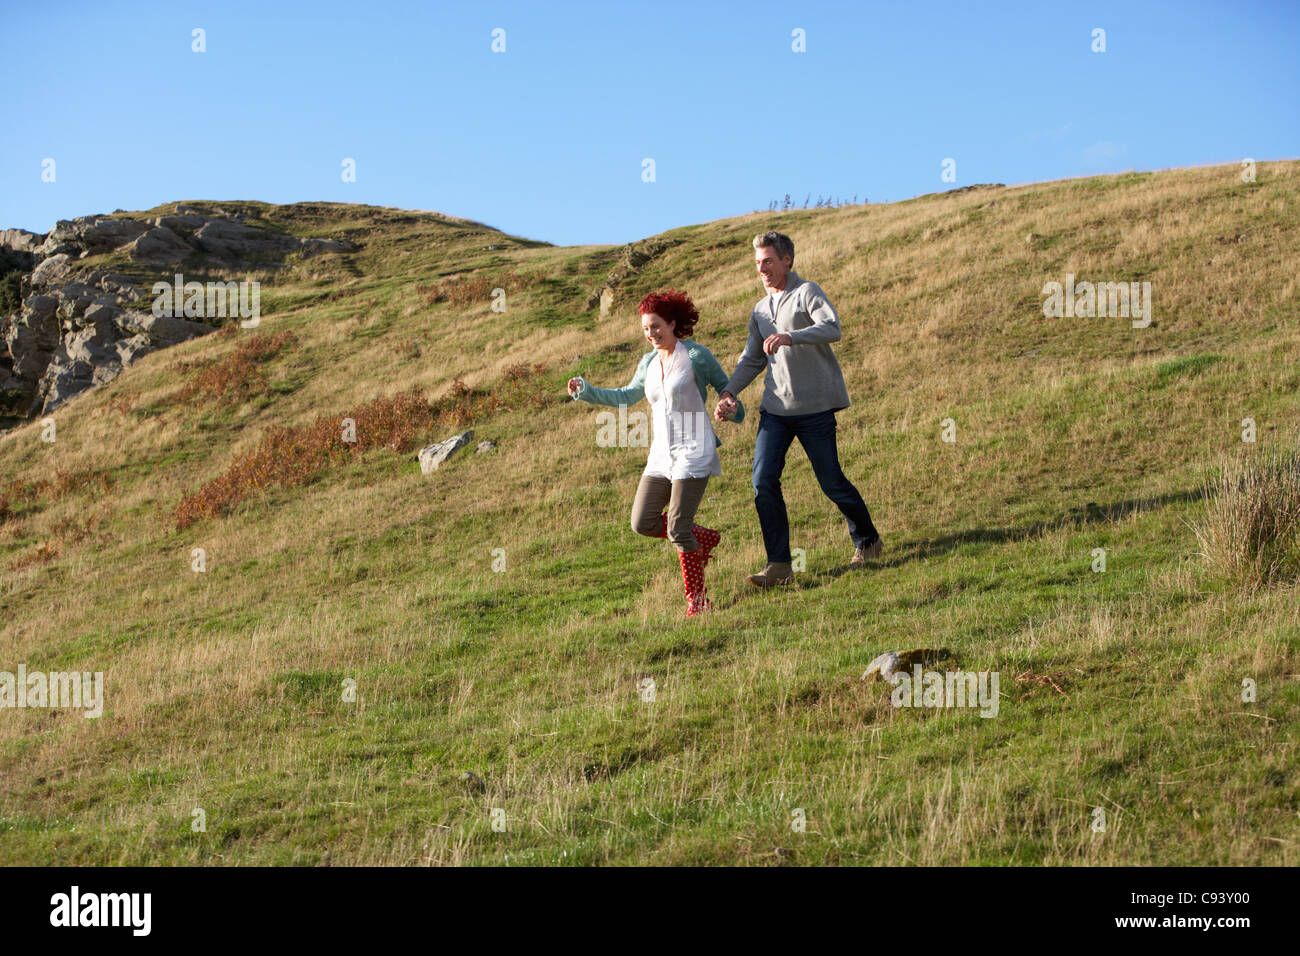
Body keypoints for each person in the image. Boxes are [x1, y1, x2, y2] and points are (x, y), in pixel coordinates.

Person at [714, 231, 882, 587]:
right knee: (762, 482)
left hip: (814, 409)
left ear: (787, 260)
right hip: (775, 410)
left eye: (769, 261)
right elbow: (752, 359)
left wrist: (792, 336)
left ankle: (868, 541)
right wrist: (728, 391)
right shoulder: (760, 311)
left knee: (831, 482)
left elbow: (832, 328)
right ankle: (779, 566)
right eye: (758, 263)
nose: (762, 269)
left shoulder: (807, 292)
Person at [568, 290, 743, 616]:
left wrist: (730, 407)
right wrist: (588, 392)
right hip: (662, 454)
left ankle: (698, 601)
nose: (651, 334)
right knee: (642, 521)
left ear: (673, 323)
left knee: (678, 527)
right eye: (646, 328)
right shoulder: (648, 362)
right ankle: (703, 539)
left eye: (656, 326)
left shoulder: (695, 356)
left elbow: (726, 389)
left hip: (694, 450)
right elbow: (626, 395)